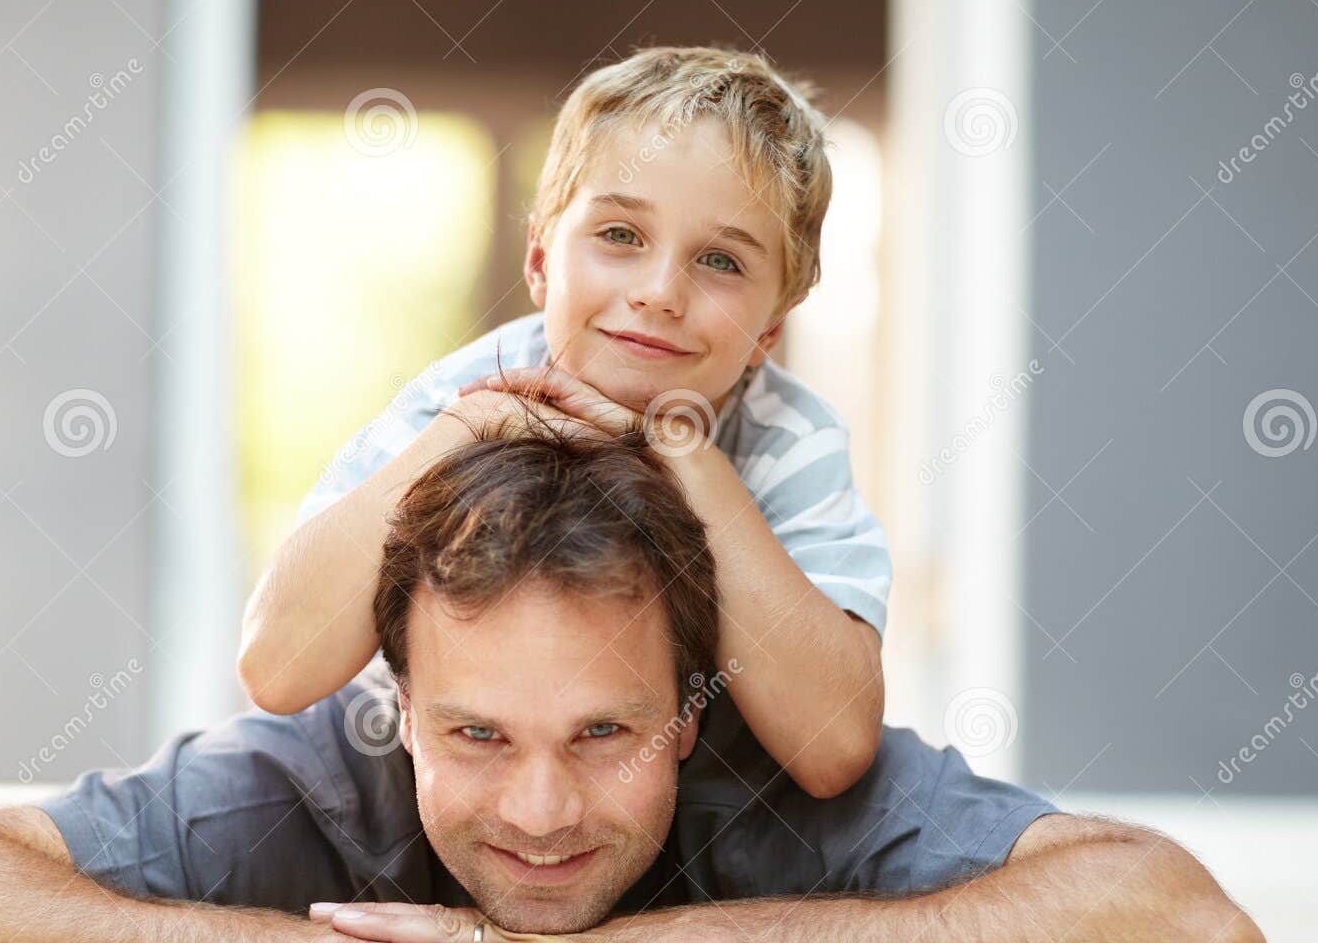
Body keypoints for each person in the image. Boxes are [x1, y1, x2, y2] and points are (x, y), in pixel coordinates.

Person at [0, 425, 1273, 943]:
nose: (544, 810)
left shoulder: (783, 788)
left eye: (609, 732)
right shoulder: (316, 786)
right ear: (398, 703)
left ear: (696, 713)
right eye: (478, 735)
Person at [239, 45, 888, 799]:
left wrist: (683, 457)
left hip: (698, 789)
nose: (659, 292)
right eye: (620, 236)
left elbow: (834, 747)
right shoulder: (461, 397)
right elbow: (278, 668)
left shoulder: (790, 439)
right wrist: (468, 429)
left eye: (720, 261)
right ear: (542, 262)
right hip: (445, 784)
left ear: (770, 332)